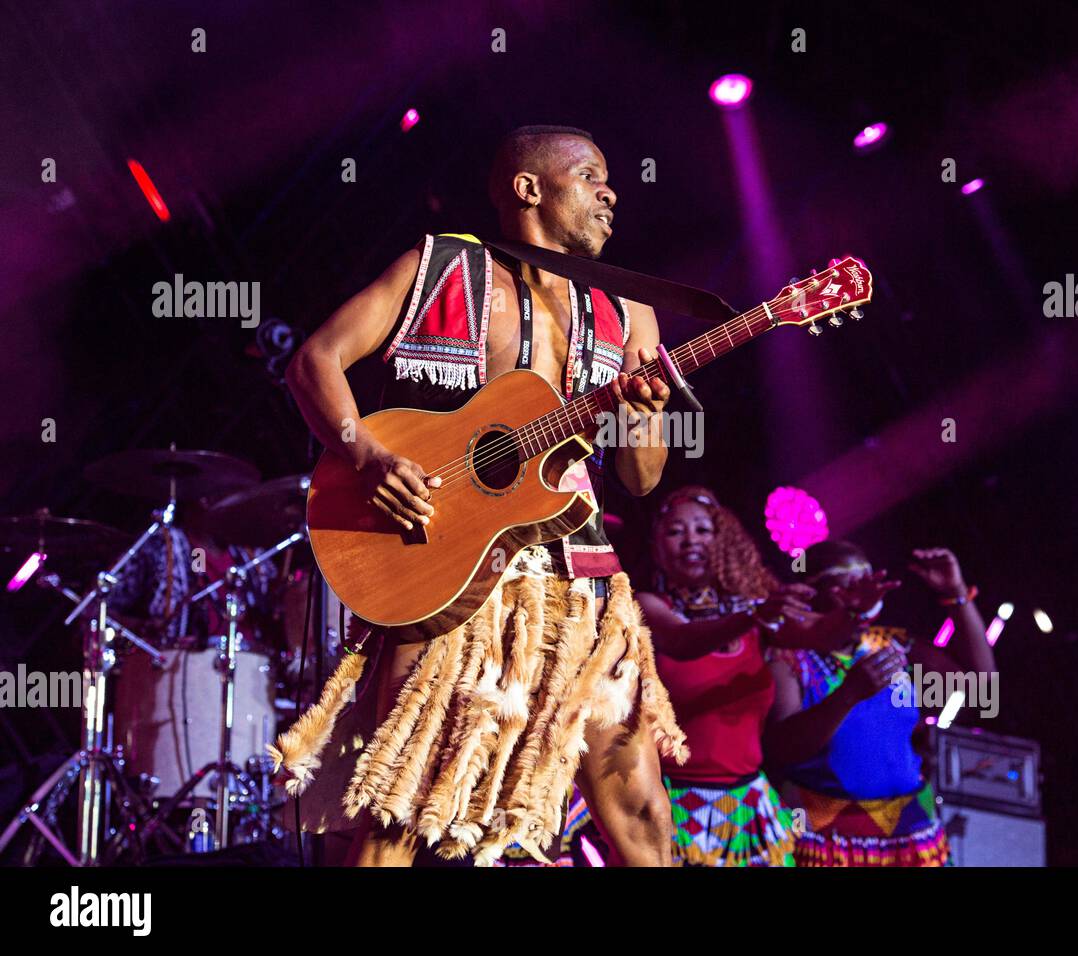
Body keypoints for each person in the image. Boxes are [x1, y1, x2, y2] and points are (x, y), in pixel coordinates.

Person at [268, 125, 690, 866]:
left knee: (643, 815)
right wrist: (366, 454)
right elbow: (315, 361)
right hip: (448, 568)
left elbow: (641, 479)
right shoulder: (438, 270)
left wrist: (646, 420)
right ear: (529, 189)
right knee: (397, 809)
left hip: (580, 582)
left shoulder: (633, 313)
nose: (609, 192)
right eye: (590, 176)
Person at [636, 487, 891, 866]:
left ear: (724, 541)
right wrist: (753, 616)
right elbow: (682, 640)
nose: (691, 540)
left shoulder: (757, 613)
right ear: (657, 545)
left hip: (749, 804)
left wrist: (855, 613)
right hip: (672, 801)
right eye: (676, 531)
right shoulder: (649, 606)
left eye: (704, 530)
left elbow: (821, 633)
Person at [765, 539, 995, 866]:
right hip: (826, 838)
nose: (865, 593)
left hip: (908, 835)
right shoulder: (790, 657)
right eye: (846, 585)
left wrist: (956, 595)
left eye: (870, 581)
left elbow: (981, 686)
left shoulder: (894, 646)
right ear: (812, 594)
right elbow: (784, 749)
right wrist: (848, 694)